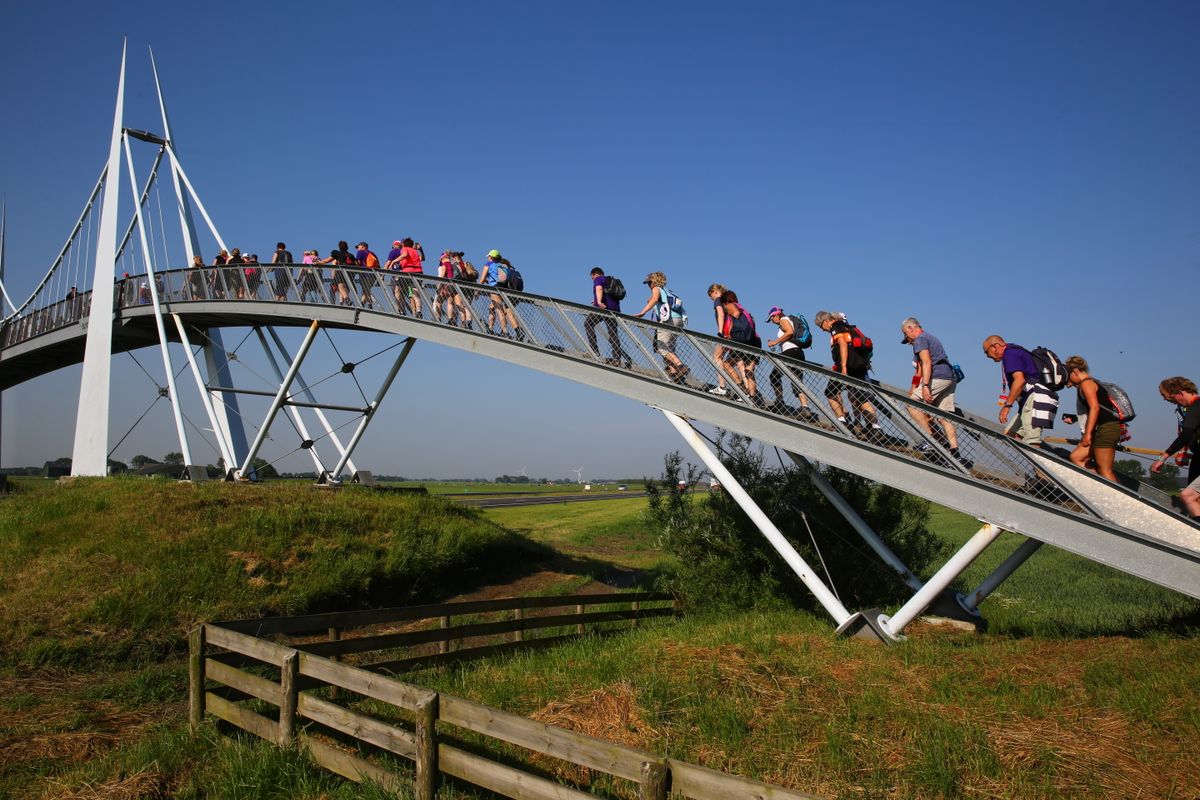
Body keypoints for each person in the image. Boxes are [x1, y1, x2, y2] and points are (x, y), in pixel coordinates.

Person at [900, 317, 966, 463]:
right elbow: (919, 371)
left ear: (911, 328)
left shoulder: (920, 340)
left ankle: (930, 442)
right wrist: (913, 387)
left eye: (906, 334)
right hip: (950, 378)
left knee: (911, 404)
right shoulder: (931, 337)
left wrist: (924, 386)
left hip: (937, 376)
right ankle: (955, 453)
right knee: (944, 416)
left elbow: (926, 363)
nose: (907, 339)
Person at [982, 335, 1058, 448]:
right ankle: (1045, 459)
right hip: (1030, 400)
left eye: (986, 352)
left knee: (1032, 440)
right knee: (1011, 434)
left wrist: (1007, 405)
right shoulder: (1014, 351)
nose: (988, 356)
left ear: (995, 346)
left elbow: (1019, 380)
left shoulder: (1010, 353)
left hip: (1036, 398)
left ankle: (1046, 463)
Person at [815, 310, 880, 435]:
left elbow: (843, 344)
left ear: (826, 321)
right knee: (860, 398)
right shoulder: (847, 326)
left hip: (846, 367)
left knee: (830, 392)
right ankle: (876, 428)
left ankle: (842, 422)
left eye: (821, 326)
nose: (822, 330)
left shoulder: (835, 327)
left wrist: (843, 367)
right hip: (859, 365)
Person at [1063, 356, 1121, 483]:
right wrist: (1075, 418)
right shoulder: (1093, 382)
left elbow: (1095, 408)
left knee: (1105, 469)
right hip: (1102, 428)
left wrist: (1087, 434)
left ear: (1075, 371)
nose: (1068, 380)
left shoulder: (1086, 384)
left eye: (1068, 375)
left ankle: (1121, 499)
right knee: (1076, 457)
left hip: (1107, 428)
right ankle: (1099, 484)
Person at [1152, 377, 1200, 519]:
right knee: (1192, 496)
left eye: (1170, 398)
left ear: (1179, 392)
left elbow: (1187, 434)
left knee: (1188, 496)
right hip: (1198, 456)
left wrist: (1163, 458)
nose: (1167, 401)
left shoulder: (1196, 406)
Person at [629, 271, 688, 382]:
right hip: (677, 320)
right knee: (669, 348)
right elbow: (657, 300)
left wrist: (643, 312)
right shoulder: (667, 291)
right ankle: (674, 372)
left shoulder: (656, 289)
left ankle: (680, 366)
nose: (648, 285)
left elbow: (655, 299)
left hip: (668, 320)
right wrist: (651, 300)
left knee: (661, 348)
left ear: (655, 281)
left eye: (649, 282)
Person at [765, 307, 813, 416]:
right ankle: (805, 407)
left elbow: (789, 332)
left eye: (771, 319)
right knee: (796, 380)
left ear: (776, 315)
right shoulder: (789, 320)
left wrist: (774, 342)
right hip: (798, 352)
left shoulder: (783, 320)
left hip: (790, 352)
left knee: (774, 376)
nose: (772, 321)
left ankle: (780, 401)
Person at [718, 290, 761, 402]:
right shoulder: (742, 310)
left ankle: (743, 389)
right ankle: (751, 396)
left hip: (744, 343)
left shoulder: (733, 310)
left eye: (724, 305)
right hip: (754, 342)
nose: (724, 308)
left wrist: (731, 336)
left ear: (726, 302)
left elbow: (736, 317)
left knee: (728, 364)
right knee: (748, 370)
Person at [584, 267, 630, 367]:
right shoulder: (610, 280)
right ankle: (617, 359)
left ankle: (594, 350)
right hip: (614, 310)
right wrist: (596, 300)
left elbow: (599, 288)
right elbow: (607, 293)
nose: (592, 279)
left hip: (602, 309)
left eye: (592, 277)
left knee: (588, 323)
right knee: (613, 333)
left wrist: (599, 302)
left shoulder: (598, 279)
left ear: (594, 274)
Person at [478, 249, 520, 338]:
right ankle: (490, 328)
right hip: (504, 289)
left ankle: (505, 331)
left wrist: (477, 291)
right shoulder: (503, 265)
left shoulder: (488, 264)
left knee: (499, 310)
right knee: (491, 307)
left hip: (495, 289)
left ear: (491, 257)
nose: (488, 257)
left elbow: (481, 279)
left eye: (489, 256)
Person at [706, 283, 731, 395]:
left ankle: (722, 387)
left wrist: (720, 332)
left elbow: (720, 314)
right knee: (740, 362)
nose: (712, 299)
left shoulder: (718, 300)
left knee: (717, 357)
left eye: (711, 296)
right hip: (734, 334)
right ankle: (747, 391)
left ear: (715, 292)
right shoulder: (729, 300)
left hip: (725, 334)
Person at [354, 242, 380, 308]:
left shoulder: (360, 252)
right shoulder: (373, 253)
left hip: (365, 275)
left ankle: (366, 305)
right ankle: (366, 304)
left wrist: (354, 271)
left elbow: (358, 263)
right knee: (366, 290)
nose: (357, 249)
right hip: (373, 275)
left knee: (366, 290)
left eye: (358, 247)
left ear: (363, 247)